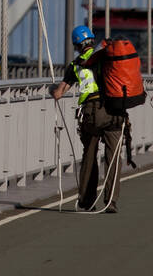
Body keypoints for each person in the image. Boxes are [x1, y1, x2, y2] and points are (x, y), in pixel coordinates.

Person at [50, 24, 126, 214]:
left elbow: (59, 93)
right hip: (114, 111)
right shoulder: (107, 57)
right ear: (92, 39)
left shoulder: (76, 65)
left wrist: (53, 89)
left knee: (90, 155)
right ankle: (111, 201)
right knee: (114, 157)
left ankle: (86, 201)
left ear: (76, 45)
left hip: (92, 113)